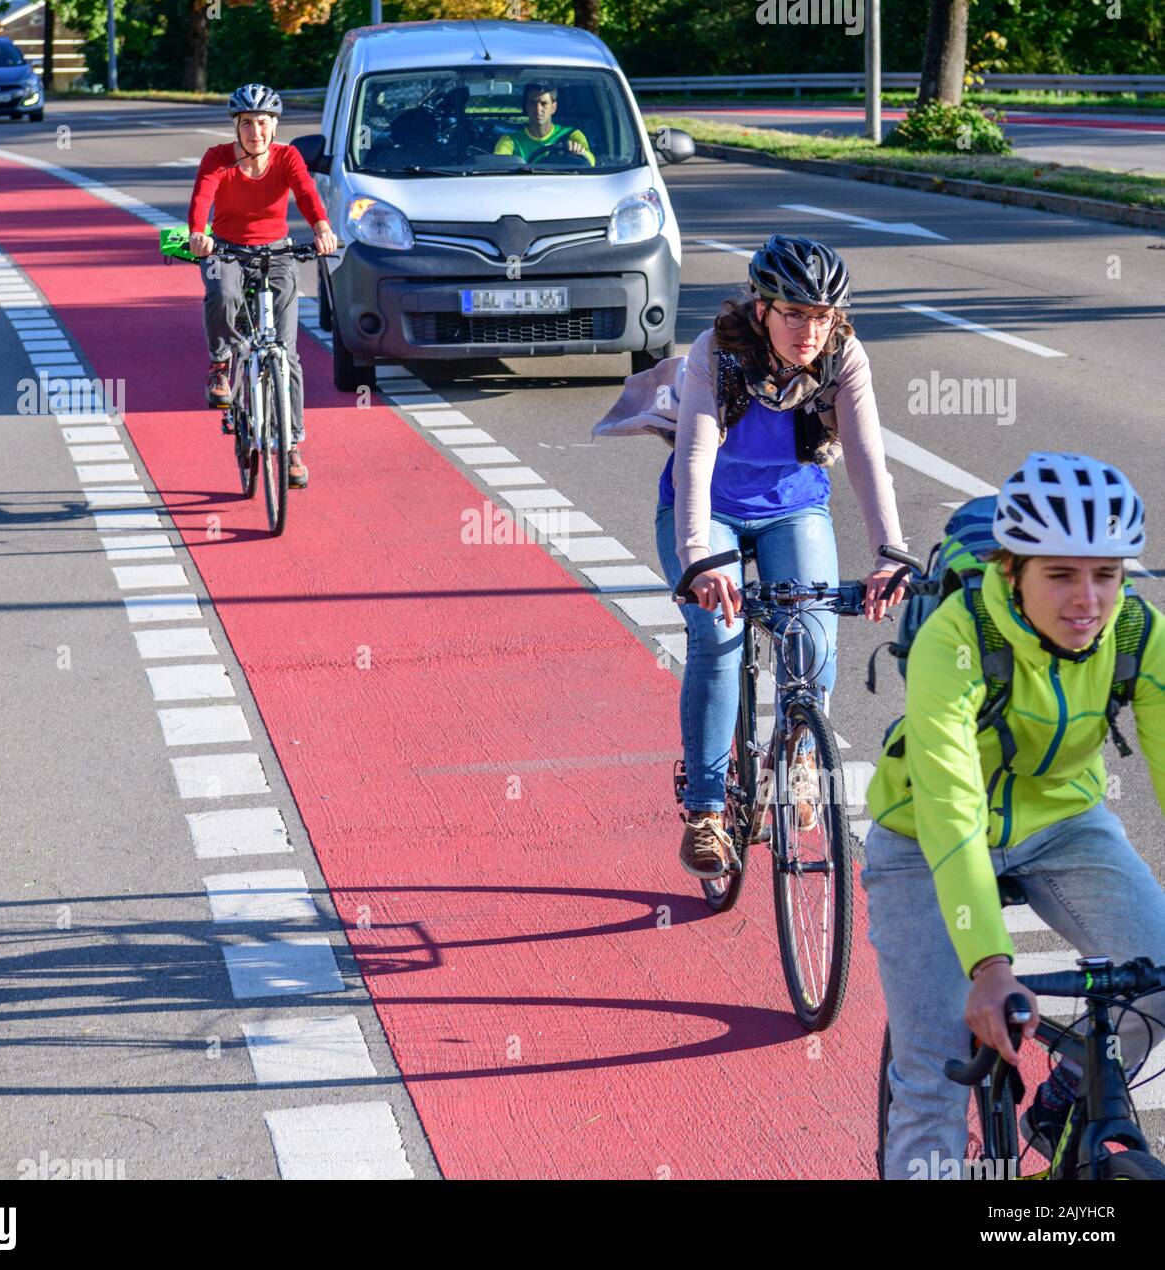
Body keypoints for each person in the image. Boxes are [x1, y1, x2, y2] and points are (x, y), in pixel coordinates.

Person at [864, 453, 1165, 1180]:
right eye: (1060, 574)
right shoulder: (957, 639)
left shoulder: (1135, 633)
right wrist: (990, 967)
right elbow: (951, 809)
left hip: (1063, 823)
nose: (1088, 600)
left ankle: (1070, 1090)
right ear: (1011, 571)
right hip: (921, 836)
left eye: (1107, 575)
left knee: (1158, 985)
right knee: (935, 1080)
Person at [654, 235, 907, 878]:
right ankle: (708, 811)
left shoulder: (842, 357)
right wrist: (696, 558)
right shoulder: (718, 353)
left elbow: (869, 457)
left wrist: (890, 552)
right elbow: (694, 457)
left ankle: (797, 753)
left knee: (814, 637)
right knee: (719, 635)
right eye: (794, 313)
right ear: (762, 307)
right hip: (706, 505)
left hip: (792, 507)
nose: (810, 330)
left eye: (822, 316)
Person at [187, 83, 338, 488]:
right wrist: (198, 234)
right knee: (222, 291)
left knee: (286, 355)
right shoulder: (218, 159)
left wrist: (322, 228)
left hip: (277, 254)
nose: (257, 130)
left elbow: (307, 194)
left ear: (275, 126)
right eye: (248, 123)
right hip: (227, 251)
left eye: (264, 122)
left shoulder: (287, 157)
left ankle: (290, 448)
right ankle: (220, 367)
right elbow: (202, 199)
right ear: (236, 127)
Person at [493, 83, 595, 166]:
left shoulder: (571, 135)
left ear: (553, 107)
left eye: (544, 103)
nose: (538, 109)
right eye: (533, 103)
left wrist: (581, 152)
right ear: (526, 107)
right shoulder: (510, 141)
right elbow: (496, 165)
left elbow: (591, 161)